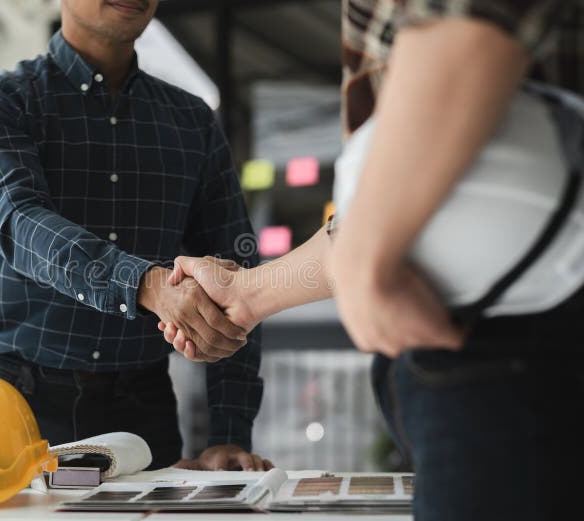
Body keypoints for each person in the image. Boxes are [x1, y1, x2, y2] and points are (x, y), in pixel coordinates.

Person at [161, 0, 584, 519]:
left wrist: (367, 259)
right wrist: (248, 295)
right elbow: (371, 213)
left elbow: (471, 30)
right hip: (472, 351)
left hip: (517, 349)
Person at [0, 0, 271, 471]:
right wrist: (146, 284)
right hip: (13, 397)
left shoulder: (192, 123)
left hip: (143, 404)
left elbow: (237, 276)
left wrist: (227, 434)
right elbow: (19, 221)